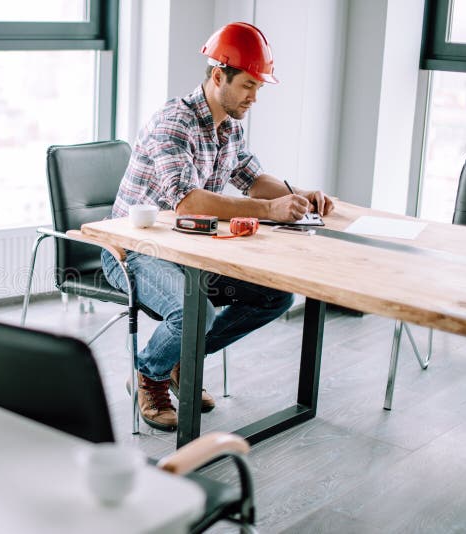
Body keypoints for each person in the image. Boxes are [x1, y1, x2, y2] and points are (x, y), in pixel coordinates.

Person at [101, 22, 335, 431]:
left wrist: (299, 194)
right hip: (135, 250)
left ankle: (180, 362)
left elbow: (253, 178)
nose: (254, 97)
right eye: (248, 85)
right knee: (193, 313)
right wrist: (270, 210)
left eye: (259, 87)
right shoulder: (174, 122)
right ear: (217, 76)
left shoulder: (230, 125)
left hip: (193, 251)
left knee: (275, 297)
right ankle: (149, 375)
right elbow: (188, 201)